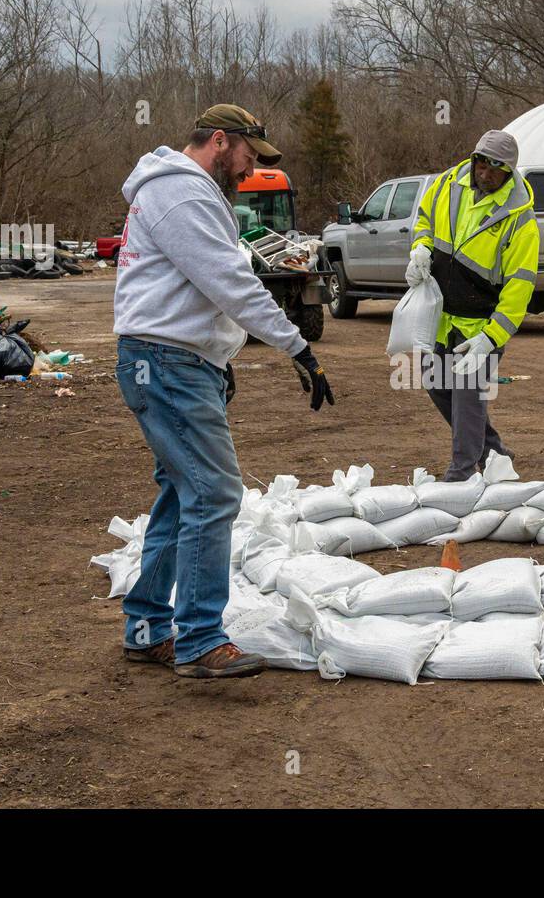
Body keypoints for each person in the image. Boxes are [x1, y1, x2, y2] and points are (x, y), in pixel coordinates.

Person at [113, 103, 334, 679]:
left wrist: (219, 352)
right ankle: (200, 639)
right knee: (214, 492)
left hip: (173, 360)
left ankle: (146, 626)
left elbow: (197, 289)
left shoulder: (183, 193)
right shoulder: (183, 195)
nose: (248, 170)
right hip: (166, 364)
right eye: (246, 156)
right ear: (219, 140)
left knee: (181, 492)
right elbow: (231, 283)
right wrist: (297, 347)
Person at [406, 130, 539, 481]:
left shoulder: (519, 218)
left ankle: (461, 473)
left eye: (497, 169)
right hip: (441, 318)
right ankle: (496, 455)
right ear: (474, 159)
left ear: (510, 172)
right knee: (436, 383)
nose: (487, 174)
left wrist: (491, 338)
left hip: (480, 325)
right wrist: (420, 246)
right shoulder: (448, 184)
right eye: (483, 164)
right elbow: (424, 219)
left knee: (468, 396)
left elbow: (519, 287)